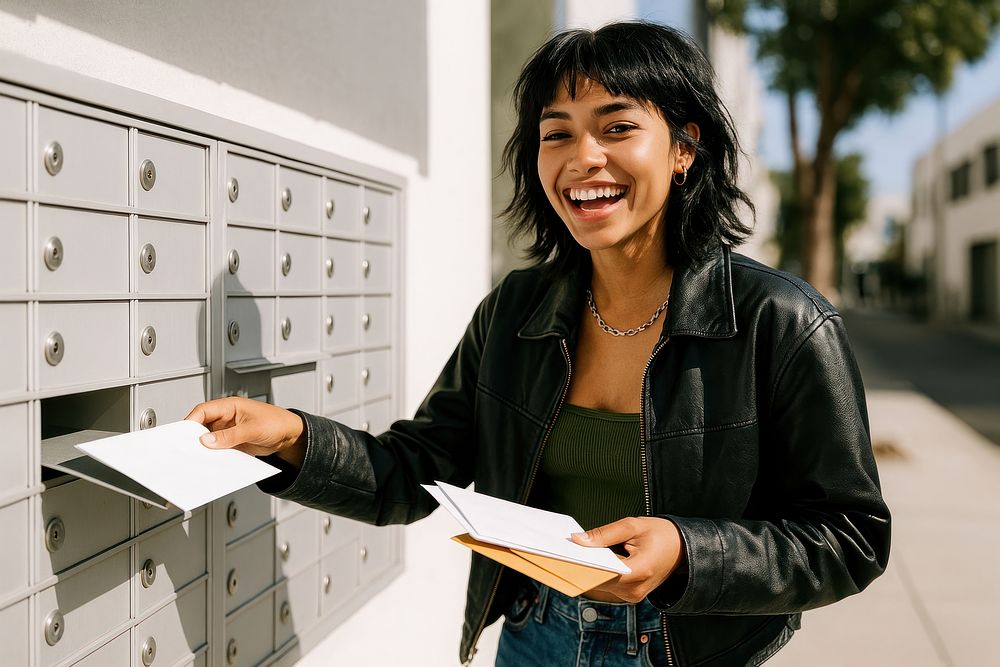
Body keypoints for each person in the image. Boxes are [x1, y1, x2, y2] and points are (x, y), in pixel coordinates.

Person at [187, 21, 890, 667]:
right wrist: (287, 435)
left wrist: (687, 550)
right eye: (558, 133)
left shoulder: (782, 321)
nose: (584, 158)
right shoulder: (517, 310)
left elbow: (852, 535)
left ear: (683, 148)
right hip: (535, 636)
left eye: (617, 127)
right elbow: (415, 471)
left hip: (686, 649)